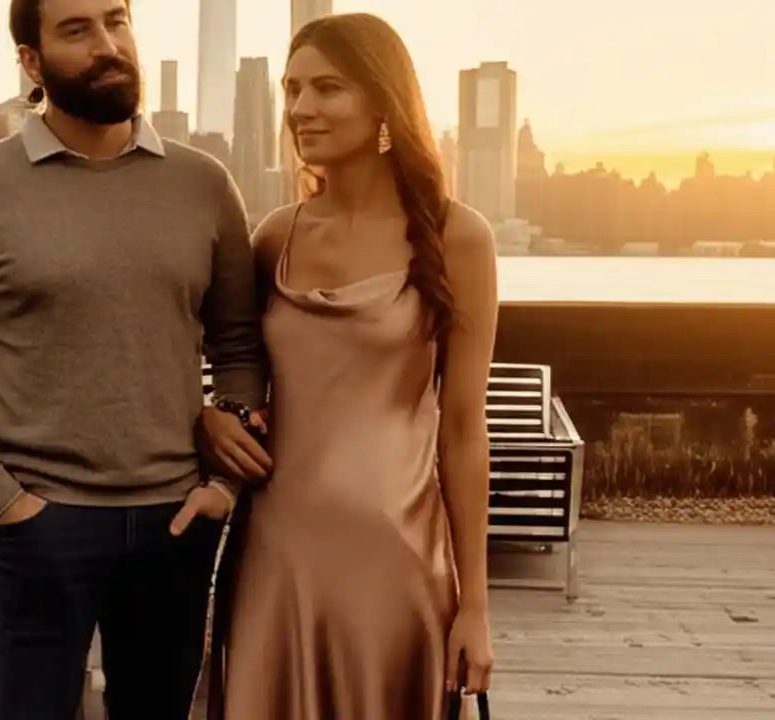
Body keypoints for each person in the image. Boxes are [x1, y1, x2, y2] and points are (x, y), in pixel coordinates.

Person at [0, 0, 271, 718]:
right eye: (76, 29)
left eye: (116, 20)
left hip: (175, 524)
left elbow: (240, 347)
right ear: (30, 61)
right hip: (40, 528)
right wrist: (7, 503)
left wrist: (222, 484)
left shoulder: (205, 185)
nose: (107, 44)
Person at [210, 12, 498, 720]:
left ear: (383, 102)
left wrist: (476, 605)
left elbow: (464, 430)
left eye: (327, 88)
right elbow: (232, 371)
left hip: (398, 566)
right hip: (278, 563)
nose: (302, 108)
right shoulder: (273, 235)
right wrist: (208, 420)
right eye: (292, 88)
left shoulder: (459, 237)